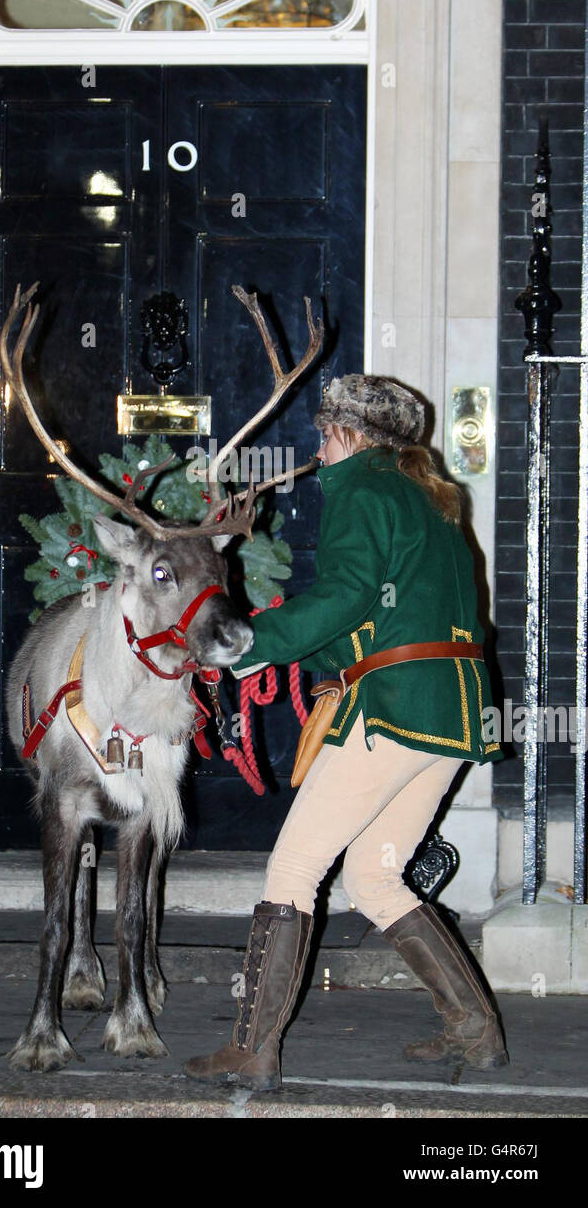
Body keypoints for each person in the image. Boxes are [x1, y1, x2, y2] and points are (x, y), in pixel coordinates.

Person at [184, 374, 508, 1092]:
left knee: (294, 870)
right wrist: (299, 651)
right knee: (373, 874)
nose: (318, 445)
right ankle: (475, 1030)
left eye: (326, 432)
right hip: (449, 710)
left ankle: (253, 1050)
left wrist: (243, 642)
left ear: (354, 437)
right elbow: (379, 617)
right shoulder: (429, 498)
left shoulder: (362, 487)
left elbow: (343, 597)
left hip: (393, 707)